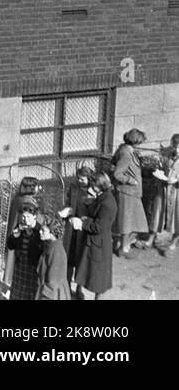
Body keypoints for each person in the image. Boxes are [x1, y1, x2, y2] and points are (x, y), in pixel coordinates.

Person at [71, 171, 116, 299]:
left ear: (100, 185)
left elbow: (99, 227)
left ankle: (96, 297)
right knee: (86, 269)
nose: (91, 187)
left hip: (99, 243)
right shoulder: (103, 196)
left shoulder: (107, 203)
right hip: (94, 240)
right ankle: (79, 292)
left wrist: (83, 222)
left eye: (93, 184)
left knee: (98, 277)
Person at [111, 128, 148, 258]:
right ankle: (122, 248)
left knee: (132, 220)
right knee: (126, 221)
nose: (140, 145)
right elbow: (117, 174)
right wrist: (131, 180)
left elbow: (113, 161)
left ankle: (124, 243)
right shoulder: (126, 153)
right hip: (127, 192)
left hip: (131, 193)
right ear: (134, 142)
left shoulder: (126, 150)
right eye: (140, 143)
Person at [6, 199, 43, 300]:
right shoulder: (20, 226)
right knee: (17, 293)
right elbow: (10, 246)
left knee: (30, 294)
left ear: (34, 216)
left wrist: (33, 237)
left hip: (33, 267)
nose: (25, 219)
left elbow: (42, 250)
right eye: (23, 216)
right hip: (20, 265)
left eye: (28, 217)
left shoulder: (40, 230)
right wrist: (14, 237)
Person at [149, 133, 179, 256]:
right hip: (164, 189)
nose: (176, 150)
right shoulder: (166, 156)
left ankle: (175, 240)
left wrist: (177, 179)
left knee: (177, 216)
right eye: (174, 146)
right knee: (157, 212)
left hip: (177, 191)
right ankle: (151, 238)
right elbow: (161, 167)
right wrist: (159, 173)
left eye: (178, 147)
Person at [37, 216, 72, 300]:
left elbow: (53, 282)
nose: (40, 232)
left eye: (43, 230)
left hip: (53, 295)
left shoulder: (56, 250)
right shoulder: (52, 245)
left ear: (52, 232)